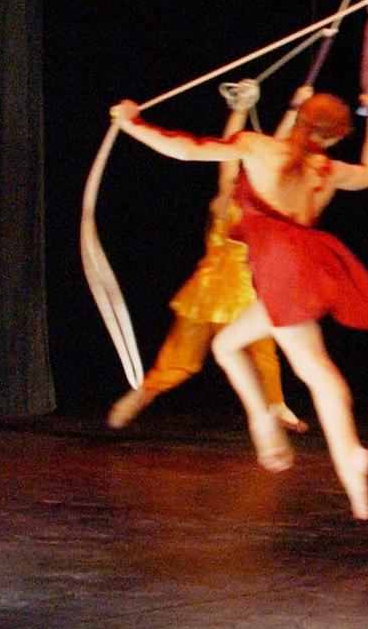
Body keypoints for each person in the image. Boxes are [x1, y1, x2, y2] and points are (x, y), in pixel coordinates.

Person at [110, 78, 368, 520]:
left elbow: (186, 148)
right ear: (336, 137)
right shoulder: (327, 169)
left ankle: (348, 453)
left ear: (298, 120)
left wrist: (131, 123)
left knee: (317, 373)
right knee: (227, 345)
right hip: (306, 264)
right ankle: (275, 429)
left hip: (283, 268)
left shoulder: (258, 148)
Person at [107, 82, 307, 435]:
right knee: (209, 353)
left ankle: (276, 407)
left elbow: (268, 151)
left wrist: (292, 107)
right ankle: (144, 394)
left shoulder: (257, 198)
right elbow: (234, 152)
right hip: (225, 290)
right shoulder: (229, 197)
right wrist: (242, 109)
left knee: (256, 352)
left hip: (222, 290)